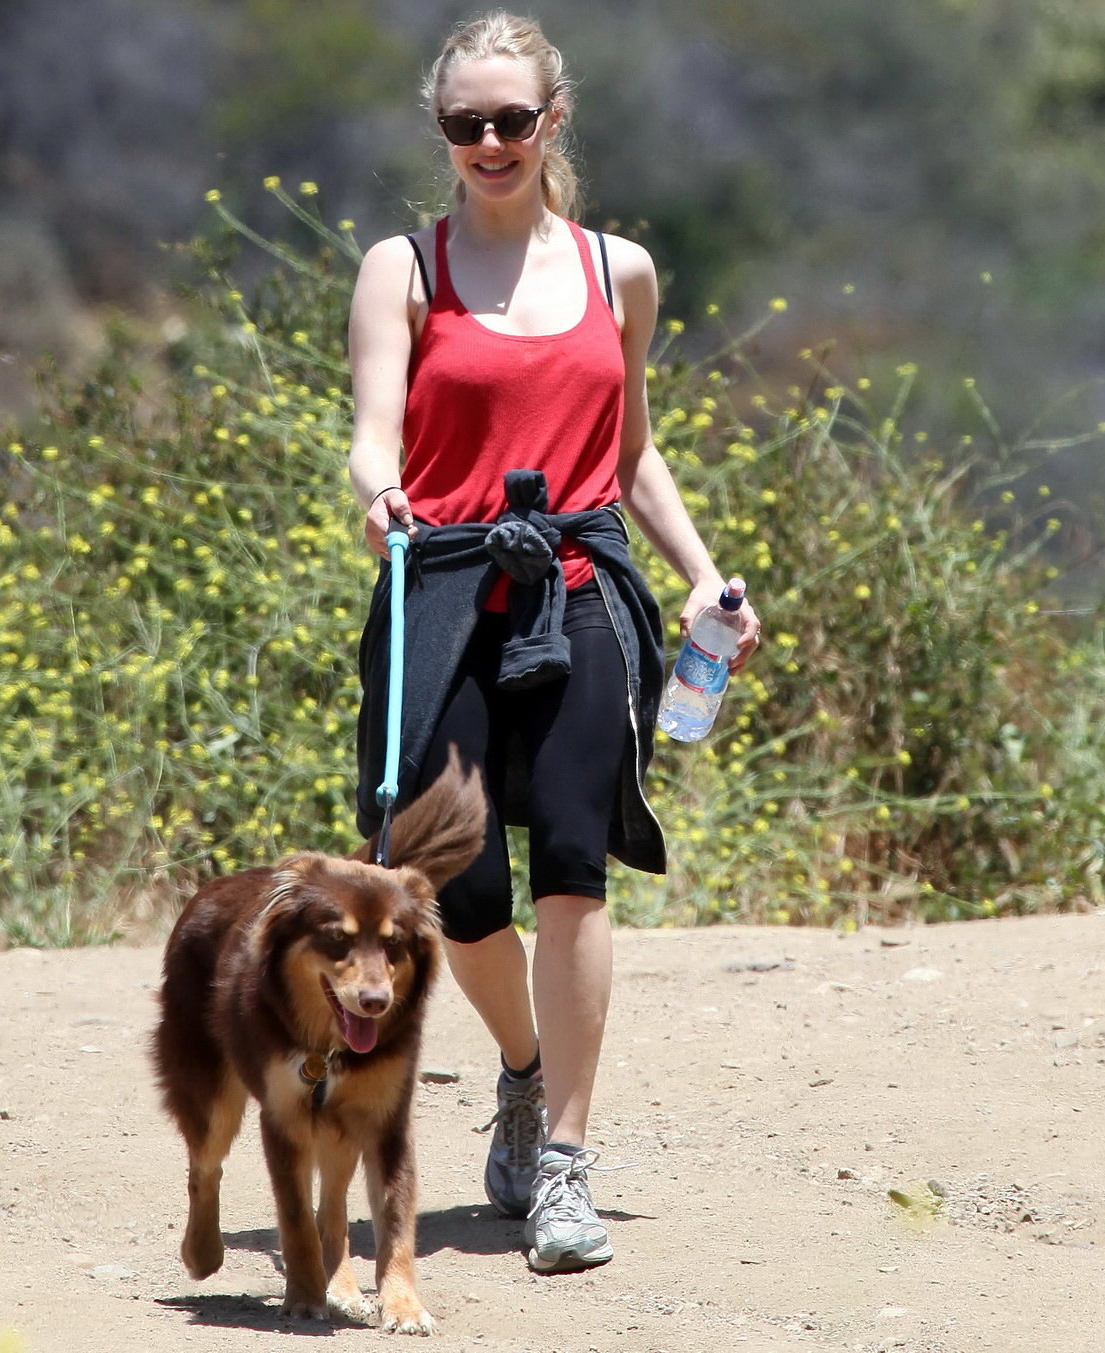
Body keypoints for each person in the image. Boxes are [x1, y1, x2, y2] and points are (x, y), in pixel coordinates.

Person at [347, 10, 760, 1274]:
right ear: (442, 131)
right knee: (458, 889)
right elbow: (372, 428)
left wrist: (702, 579)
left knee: (574, 854)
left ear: (551, 122)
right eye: (463, 123)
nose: (487, 141)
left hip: (582, 582)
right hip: (445, 586)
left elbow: (630, 450)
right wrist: (375, 494)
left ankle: (565, 1162)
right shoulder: (400, 267)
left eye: (510, 120)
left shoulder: (614, 271)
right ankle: (521, 1076)